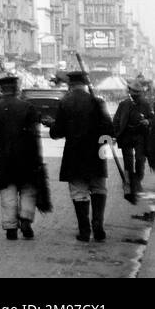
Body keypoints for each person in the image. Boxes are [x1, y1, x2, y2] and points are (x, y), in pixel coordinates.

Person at [49, 71, 115, 241]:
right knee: (99, 189)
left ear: (70, 85)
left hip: (74, 155)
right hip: (96, 154)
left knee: (79, 193)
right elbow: (109, 130)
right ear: (85, 83)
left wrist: (51, 126)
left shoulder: (65, 102)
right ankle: (98, 226)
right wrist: (104, 144)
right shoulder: (98, 101)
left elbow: (58, 132)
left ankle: (85, 231)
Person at [0, 71, 45, 240]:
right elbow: (35, 136)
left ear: (1, 88)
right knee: (27, 189)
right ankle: (25, 218)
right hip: (27, 157)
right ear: (16, 87)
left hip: (5, 158)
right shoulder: (27, 107)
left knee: (8, 191)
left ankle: (11, 226)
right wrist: (38, 158)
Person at [113, 77, 153, 204]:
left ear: (141, 93)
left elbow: (153, 119)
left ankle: (137, 180)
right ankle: (130, 184)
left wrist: (148, 121)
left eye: (137, 93)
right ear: (129, 92)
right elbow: (116, 120)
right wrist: (114, 134)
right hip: (126, 136)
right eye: (133, 93)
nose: (135, 96)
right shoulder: (123, 104)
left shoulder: (146, 104)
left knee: (140, 160)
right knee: (128, 162)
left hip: (140, 135)